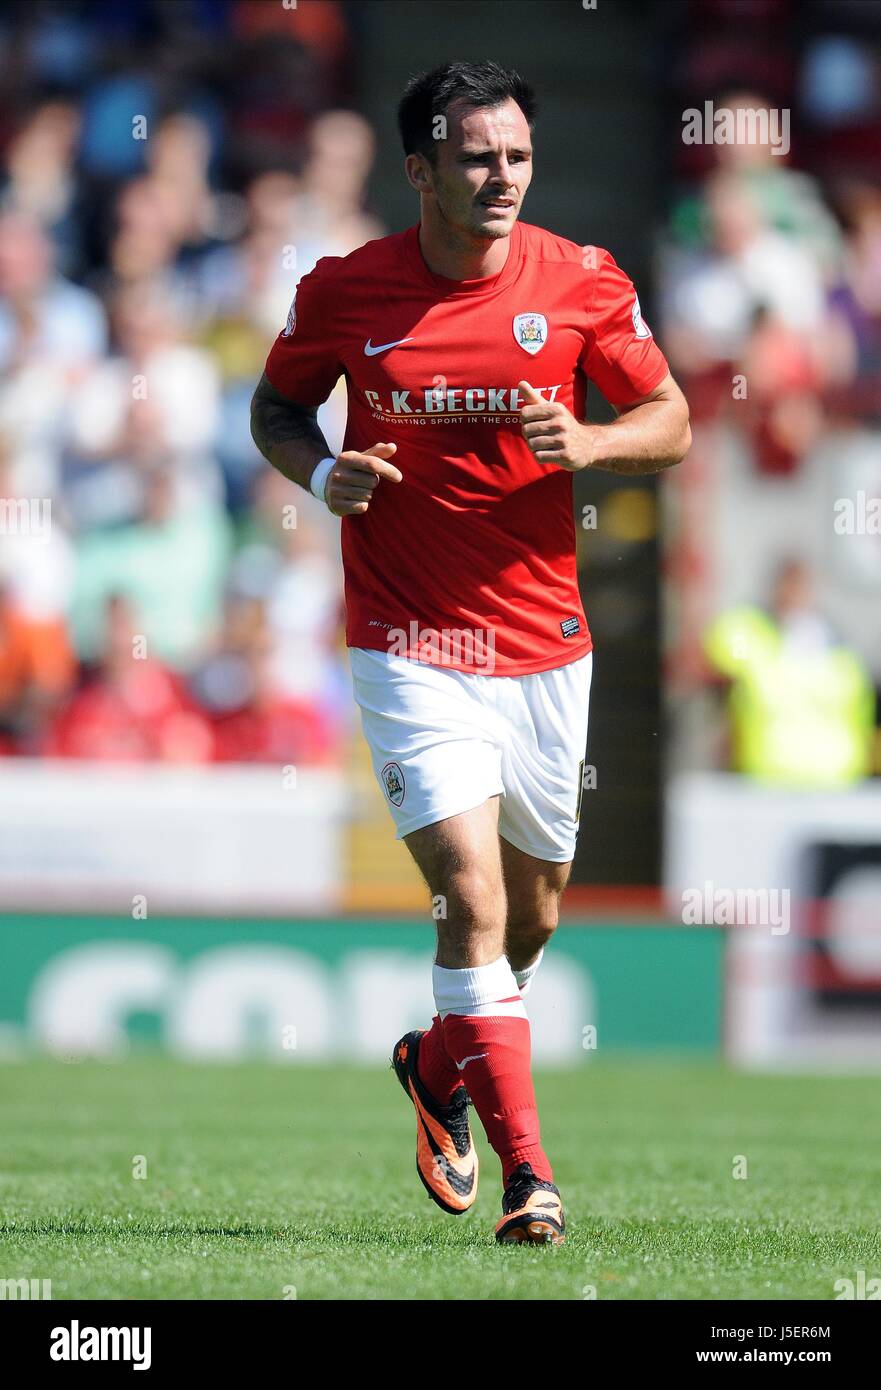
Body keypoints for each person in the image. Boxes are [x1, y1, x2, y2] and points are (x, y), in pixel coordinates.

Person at [250, 61, 690, 1244]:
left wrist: (591, 446)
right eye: (477, 158)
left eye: (517, 158)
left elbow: (673, 420)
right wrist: (320, 471)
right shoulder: (344, 292)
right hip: (406, 636)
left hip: (543, 638)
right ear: (420, 171)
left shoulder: (584, 281)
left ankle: (435, 1061)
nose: (501, 177)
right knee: (471, 898)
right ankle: (531, 1178)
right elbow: (275, 410)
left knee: (534, 916)